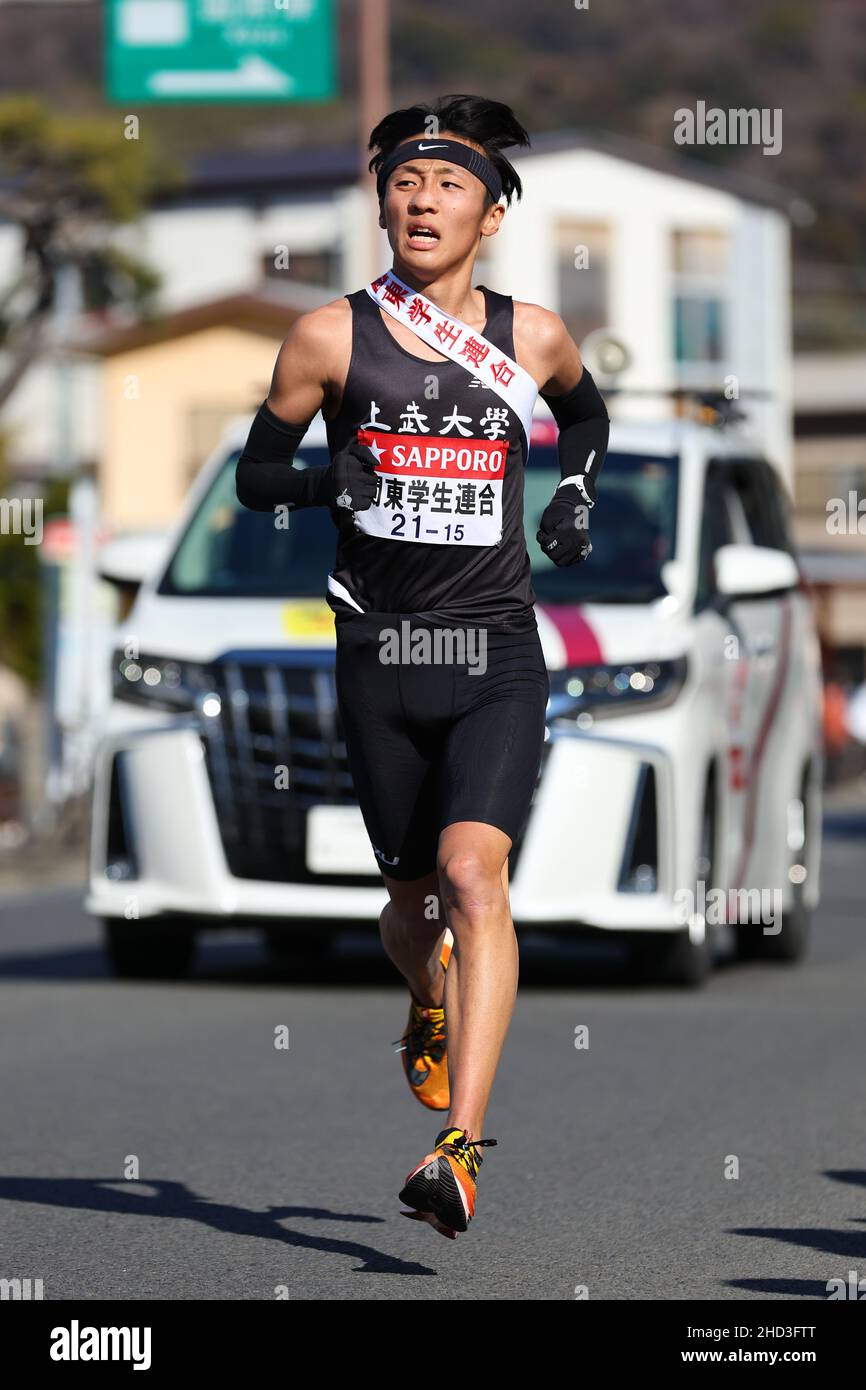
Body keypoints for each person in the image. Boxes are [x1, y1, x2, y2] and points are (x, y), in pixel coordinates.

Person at [236, 94, 609, 1239]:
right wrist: (326, 483)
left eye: (447, 184)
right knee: (409, 907)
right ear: (381, 206)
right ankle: (427, 994)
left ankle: (459, 1146)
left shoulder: (530, 335)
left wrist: (574, 491)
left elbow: (584, 417)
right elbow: (255, 476)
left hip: (494, 649)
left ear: (488, 216)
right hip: (382, 653)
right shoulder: (327, 336)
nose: (420, 200)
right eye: (402, 182)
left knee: (471, 877)